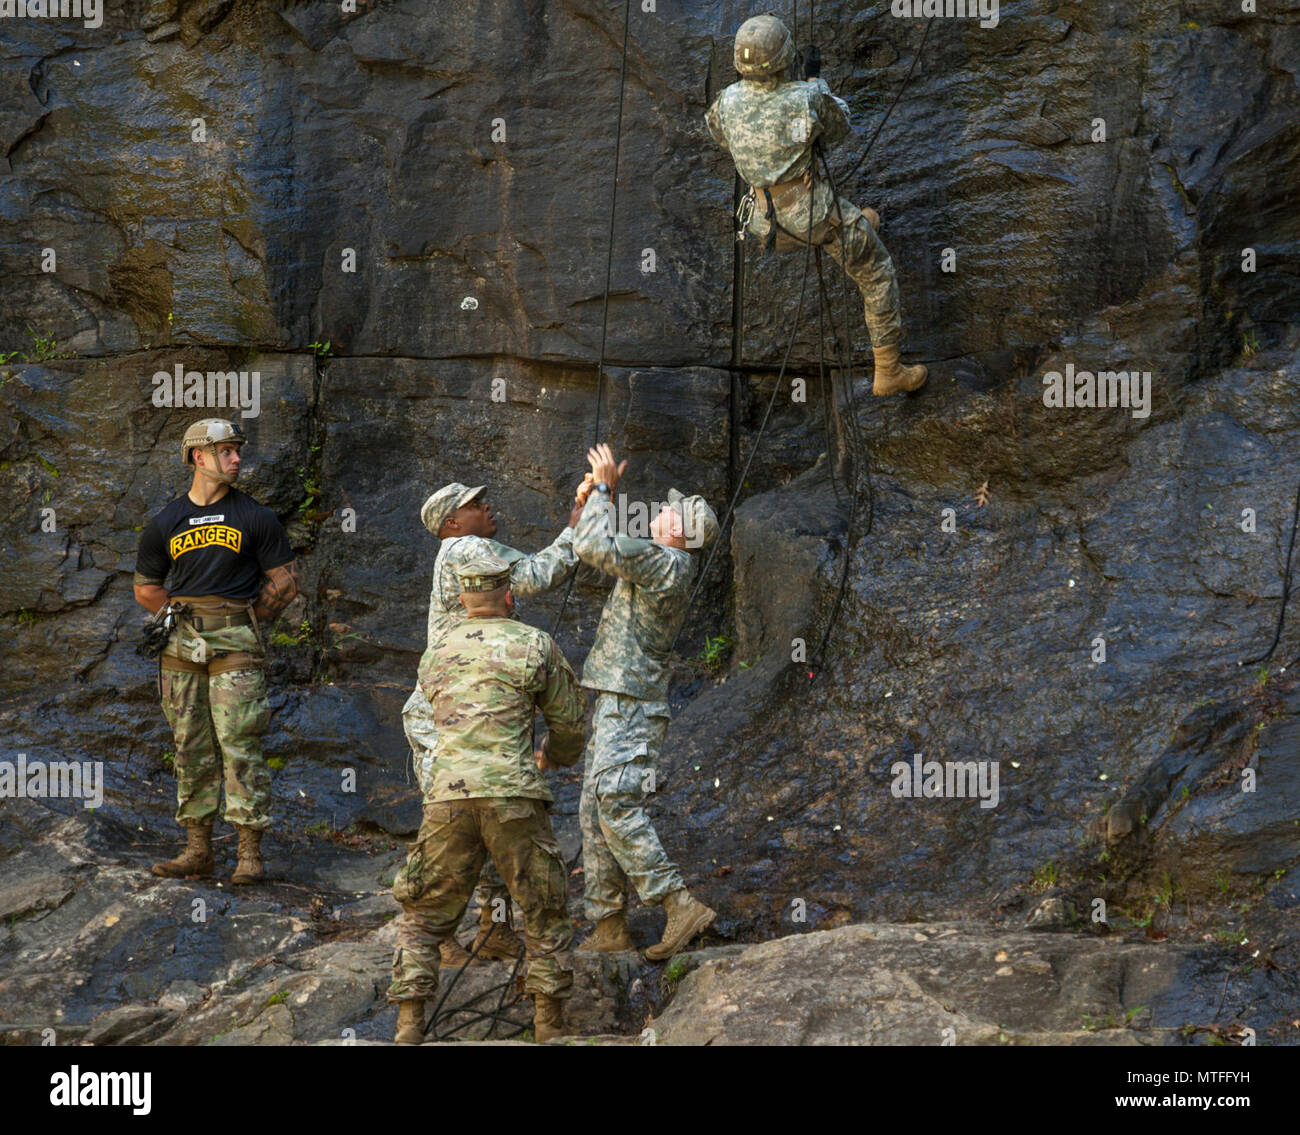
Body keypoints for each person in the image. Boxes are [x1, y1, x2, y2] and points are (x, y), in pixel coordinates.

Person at [388, 550, 586, 1044]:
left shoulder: (436, 653)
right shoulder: (535, 644)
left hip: (446, 798)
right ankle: (548, 1024)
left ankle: (409, 1025)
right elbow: (570, 725)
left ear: (461, 599)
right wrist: (553, 755)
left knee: (423, 913)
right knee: (544, 908)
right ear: (509, 595)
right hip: (513, 797)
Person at [402, 481, 581, 966]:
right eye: (473, 504)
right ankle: (440, 937)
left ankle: (492, 929)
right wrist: (581, 523)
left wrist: (574, 523)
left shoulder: (466, 546)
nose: (486, 506)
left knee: (481, 813)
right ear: (451, 523)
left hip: (462, 702)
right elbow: (535, 576)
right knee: (475, 815)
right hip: (462, 706)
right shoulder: (466, 546)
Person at [705, 13, 927, 396]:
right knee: (875, 270)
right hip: (812, 218)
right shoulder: (805, 98)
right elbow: (840, 125)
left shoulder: (725, 102)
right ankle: (889, 371)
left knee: (859, 222)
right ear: (784, 57)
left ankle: (862, 223)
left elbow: (722, 136)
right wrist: (815, 84)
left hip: (763, 222)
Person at [134, 418, 298, 884]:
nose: (237, 458)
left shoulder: (255, 517)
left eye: (237, 450)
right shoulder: (165, 522)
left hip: (236, 642)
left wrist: (244, 619)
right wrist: (174, 616)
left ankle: (249, 853)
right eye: (226, 451)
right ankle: (198, 850)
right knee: (189, 745)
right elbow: (145, 586)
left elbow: (285, 581)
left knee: (240, 741)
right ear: (198, 457)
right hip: (180, 644)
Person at [572, 443, 719, 960]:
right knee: (593, 809)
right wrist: (591, 498)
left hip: (633, 702)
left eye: (669, 510)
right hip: (620, 698)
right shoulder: (663, 562)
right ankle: (610, 925)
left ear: (681, 531)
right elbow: (592, 538)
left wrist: (607, 489)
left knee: (613, 799)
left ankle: (678, 903)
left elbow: (594, 547)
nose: (659, 511)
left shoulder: (666, 563)